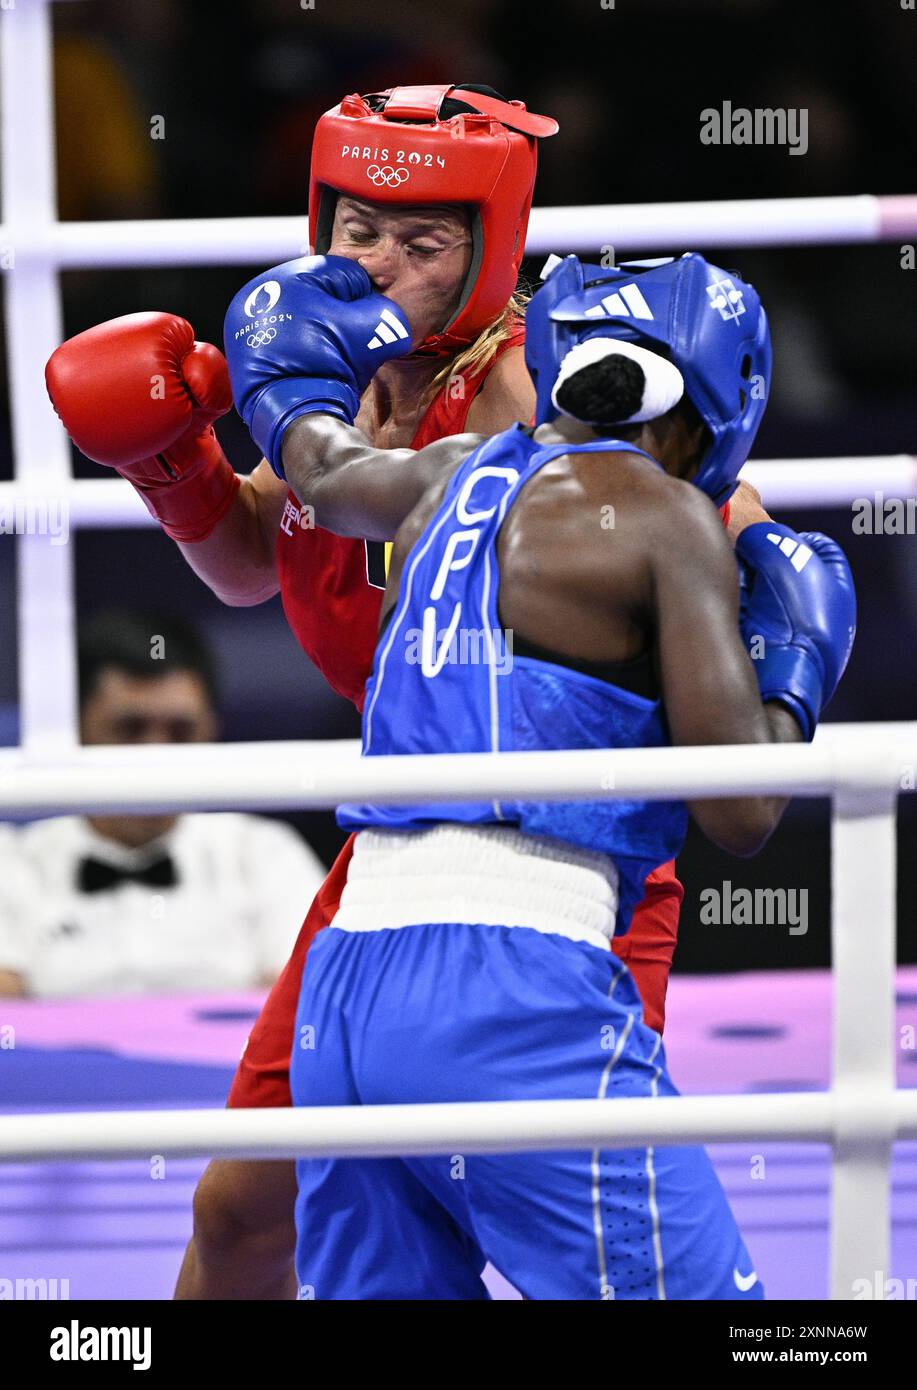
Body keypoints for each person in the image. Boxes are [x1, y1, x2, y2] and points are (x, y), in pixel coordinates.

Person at [45, 83, 770, 1297]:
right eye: (356, 230)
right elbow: (248, 567)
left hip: (562, 862)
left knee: (554, 1233)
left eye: (422, 243)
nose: (378, 266)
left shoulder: (546, 393)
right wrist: (170, 465)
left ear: (489, 253)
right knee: (241, 1213)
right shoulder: (325, 378)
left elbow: (711, 530)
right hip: (388, 857)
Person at [218, 249, 855, 1298]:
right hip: (511, 989)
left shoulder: (443, 470)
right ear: (707, 398)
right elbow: (742, 807)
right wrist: (791, 665)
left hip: (346, 994)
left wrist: (288, 375)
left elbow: (321, 472)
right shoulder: (663, 515)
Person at [0, 610, 326, 997]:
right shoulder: (12, 860)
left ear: (211, 731)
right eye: (130, 729)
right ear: (77, 731)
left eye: (180, 732)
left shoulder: (265, 854)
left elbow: (299, 1008)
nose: (156, 752)